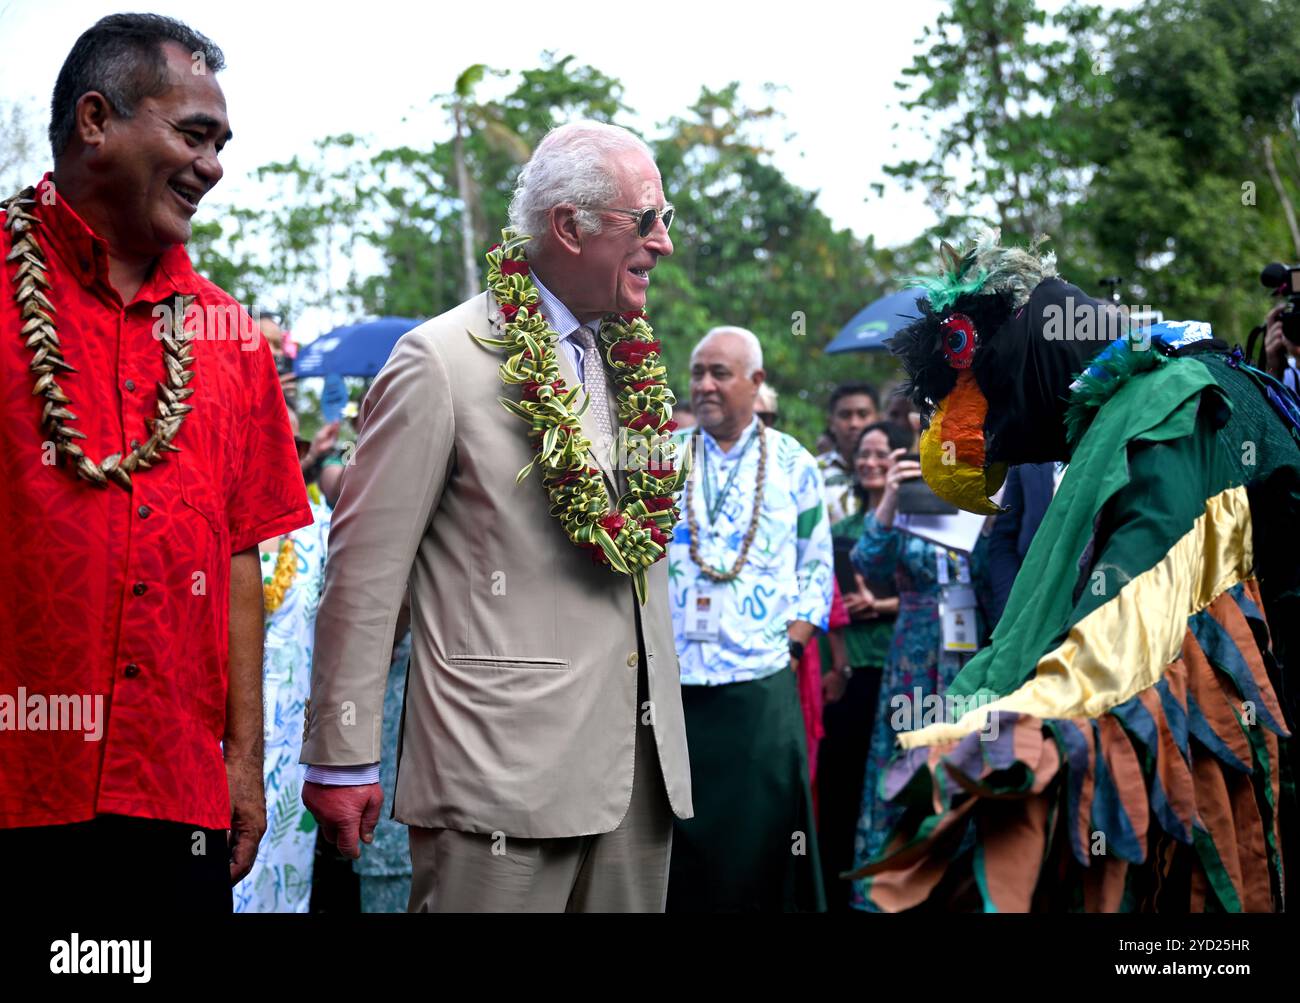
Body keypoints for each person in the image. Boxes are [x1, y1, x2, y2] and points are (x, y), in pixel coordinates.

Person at [300, 121, 693, 913]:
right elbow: (366, 570)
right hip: (498, 781)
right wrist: (341, 756)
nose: (664, 244)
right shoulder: (438, 360)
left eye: (666, 219)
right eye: (645, 220)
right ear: (569, 226)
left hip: (638, 773)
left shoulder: (632, 361)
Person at [859, 228, 1300, 912]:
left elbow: (1135, 605)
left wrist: (1025, 727)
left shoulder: (1170, 404)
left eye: (986, 387)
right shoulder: (1163, 389)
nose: (991, 428)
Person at [0, 14, 311, 912]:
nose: (213, 165)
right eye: (193, 134)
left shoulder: (232, 340)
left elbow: (241, 558)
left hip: (172, 804)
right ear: (95, 121)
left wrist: (243, 768)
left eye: (221, 142)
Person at [666, 325, 833, 912]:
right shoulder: (662, 462)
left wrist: (790, 646)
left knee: (765, 843)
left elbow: (817, 570)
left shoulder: (795, 464)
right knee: (679, 850)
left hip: (760, 686)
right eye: (697, 373)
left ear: (757, 383)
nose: (704, 386)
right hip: (674, 691)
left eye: (720, 374)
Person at [847, 441, 988, 911]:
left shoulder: (988, 480)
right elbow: (869, 561)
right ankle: (888, 890)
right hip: (915, 653)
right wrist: (890, 495)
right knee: (902, 763)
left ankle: (957, 888)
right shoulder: (910, 487)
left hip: (974, 651)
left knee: (964, 762)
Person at [234, 409, 331, 912]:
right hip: (224, 740)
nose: (281, 452)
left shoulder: (323, 533)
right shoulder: (219, 529)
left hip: (295, 745)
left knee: (287, 883)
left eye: (292, 443)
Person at [816, 419, 908, 910]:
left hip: (903, 668)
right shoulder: (844, 533)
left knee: (893, 780)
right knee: (844, 783)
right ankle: (838, 888)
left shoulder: (920, 522)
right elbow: (828, 604)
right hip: (852, 670)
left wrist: (884, 606)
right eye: (864, 454)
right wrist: (839, 664)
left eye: (883, 453)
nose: (870, 461)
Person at [817, 381, 878, 525]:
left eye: (863, 415)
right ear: (831, 423)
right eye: (845, 415)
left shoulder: (891, 470)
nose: (854, 424)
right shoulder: (812, 471)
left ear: (878, 419)